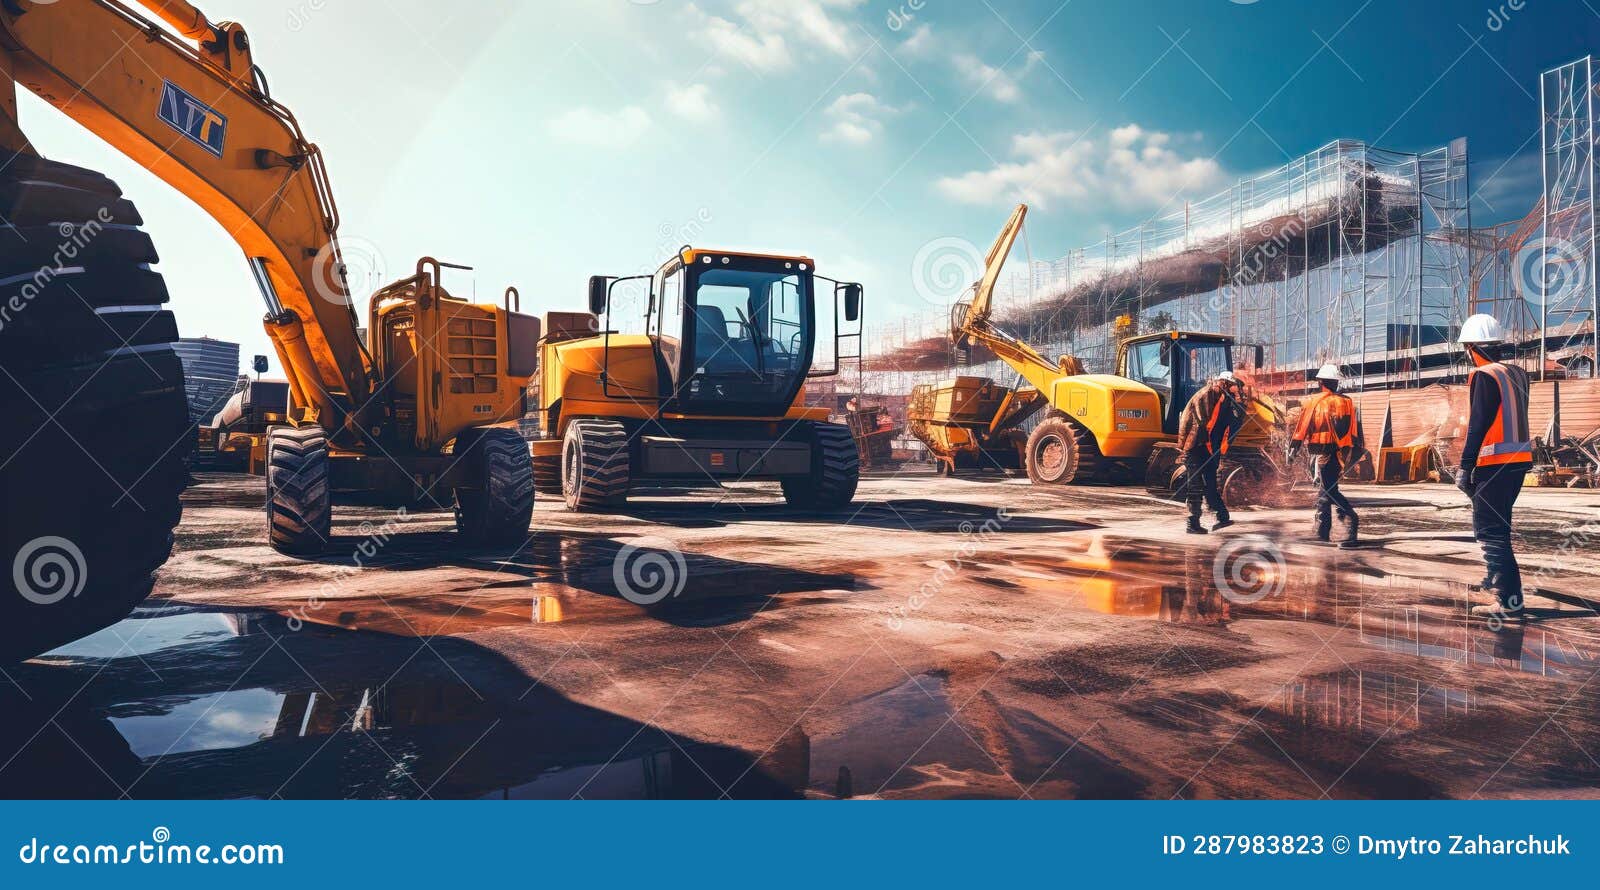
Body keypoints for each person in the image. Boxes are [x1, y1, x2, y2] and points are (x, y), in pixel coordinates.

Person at [1456, 313, 1532, 620]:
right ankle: (1511, 599)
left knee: (1490, 531)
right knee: (1498, 530)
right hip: (1518, 462)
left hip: (1495, 462)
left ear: (1473, 347)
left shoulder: (1483, 375)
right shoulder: (1517, 373)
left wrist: (1464, 467)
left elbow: (1478, 424)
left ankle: (1507, 602)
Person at [1289, 364, 1364, 547]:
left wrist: (1293, 448)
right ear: (1336, 382)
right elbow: (1352, 429)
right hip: (1340, 452)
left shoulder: (1313, 401)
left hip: (1324, 452)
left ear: (1320, 381)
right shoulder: (1347, 401)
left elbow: (1302, 427)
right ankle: (1321, 531)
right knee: (1325, 490)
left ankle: (1350, 520)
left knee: (1329, 490)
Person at [1176, 370, 1245, 535]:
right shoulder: (1206, 395)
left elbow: (1237, 418)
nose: (1228, 389)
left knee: (1210, 484)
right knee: (1195, 485)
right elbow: (1203, 424)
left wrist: (1238, 398)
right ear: (1221, 382)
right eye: (1227, 385)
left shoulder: (1222, 399)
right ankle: (1192, 523)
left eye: (1230, 387)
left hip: (1207, 448)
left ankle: (1222, 517)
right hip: (1195, 447)